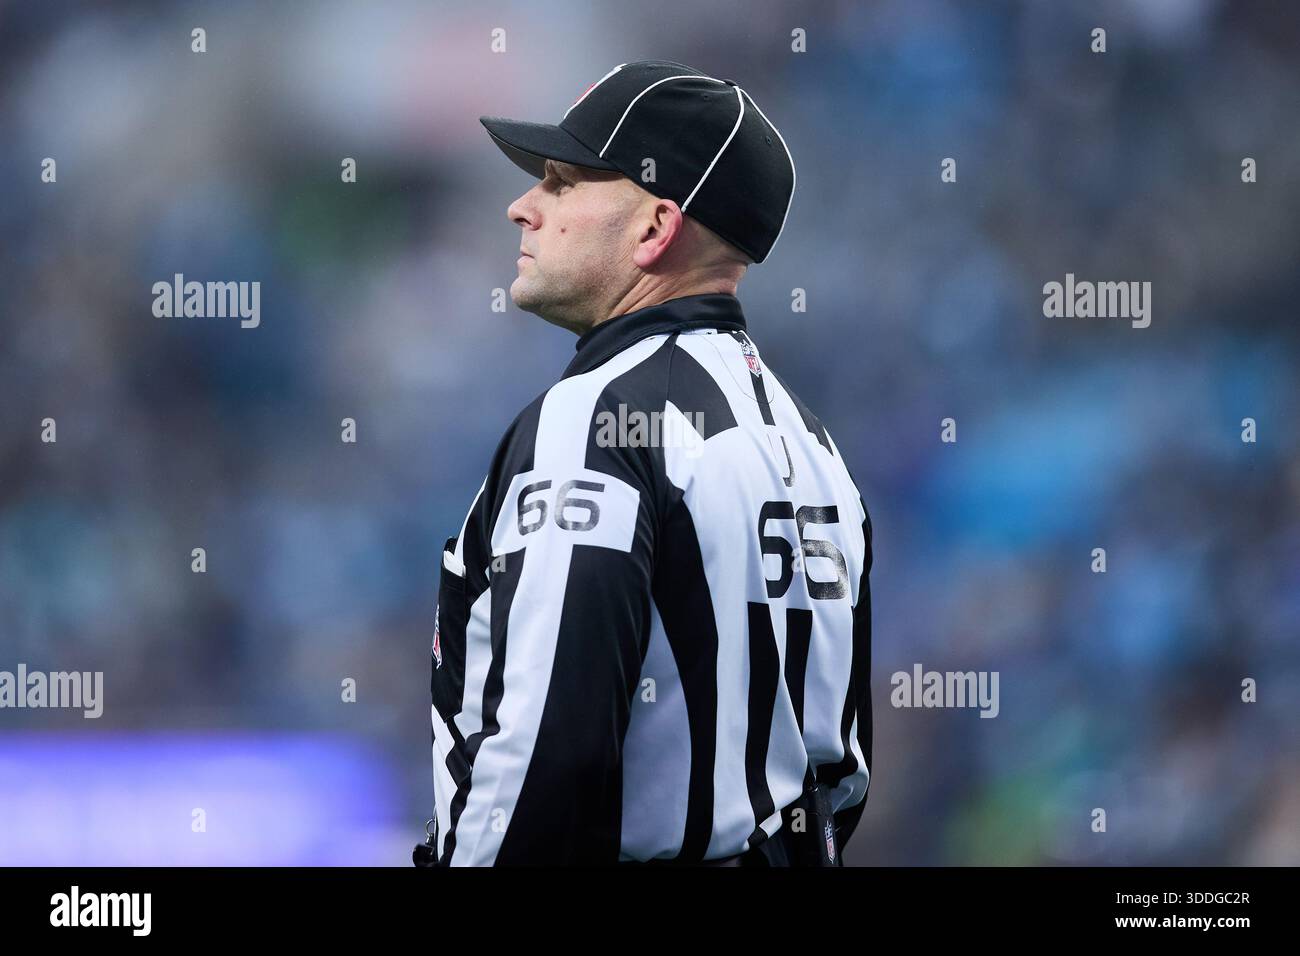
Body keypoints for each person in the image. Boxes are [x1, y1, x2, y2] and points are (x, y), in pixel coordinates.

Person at [416, 59, 872, 866]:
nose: (521, 207)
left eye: (561, 182)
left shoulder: (598, 418)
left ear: (655, 228)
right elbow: (839, 776)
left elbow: (549, 751)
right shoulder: (813, 446)